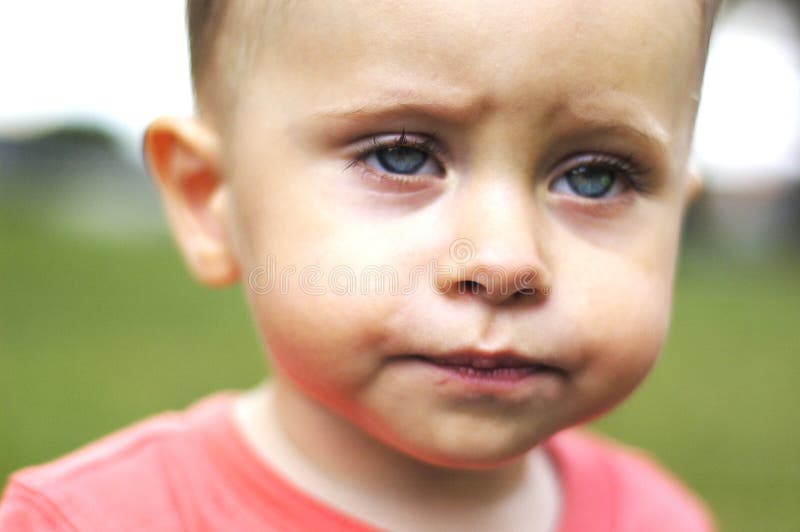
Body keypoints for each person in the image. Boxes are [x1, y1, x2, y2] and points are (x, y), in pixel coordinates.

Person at [0, 0, 721, 530]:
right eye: (401, 156)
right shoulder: (89, 522)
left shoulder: (659, 518)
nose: (504, 261)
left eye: (596, 177)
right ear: (207, 199)